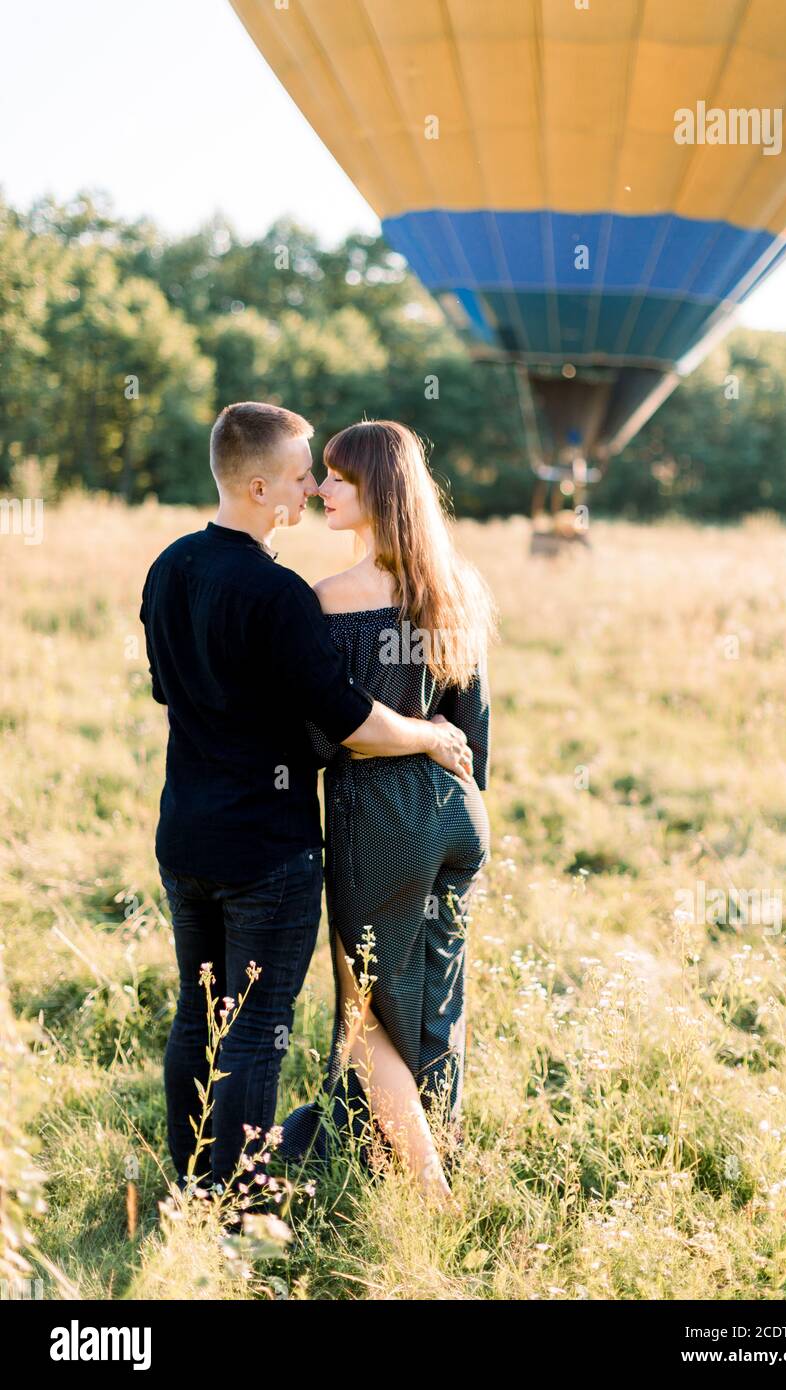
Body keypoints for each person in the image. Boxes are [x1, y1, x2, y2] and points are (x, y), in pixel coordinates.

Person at [139, 402, 473, 1196]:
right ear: (258, 485)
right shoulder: (282, 593)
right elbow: (346, 716)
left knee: (200, 1012)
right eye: (298, 475)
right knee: (256, 1028)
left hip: (186, 833)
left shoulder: (169, 566)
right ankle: (243, 1209)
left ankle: (194, 1180)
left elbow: (164, 687)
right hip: (268, 848)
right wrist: (429, 736)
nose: (311, 488)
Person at [276, 420, 495, 1206]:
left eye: (337, 478)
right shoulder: (456, 589)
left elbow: (322, 737)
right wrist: (457, 793)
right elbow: (475, 725)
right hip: (458, 819)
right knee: (437, 993)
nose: (322, 490)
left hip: (381, 822)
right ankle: (433, 1141)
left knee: (365, 1007)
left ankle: (430, 1196)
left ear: (375, 493)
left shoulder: (326, 602)